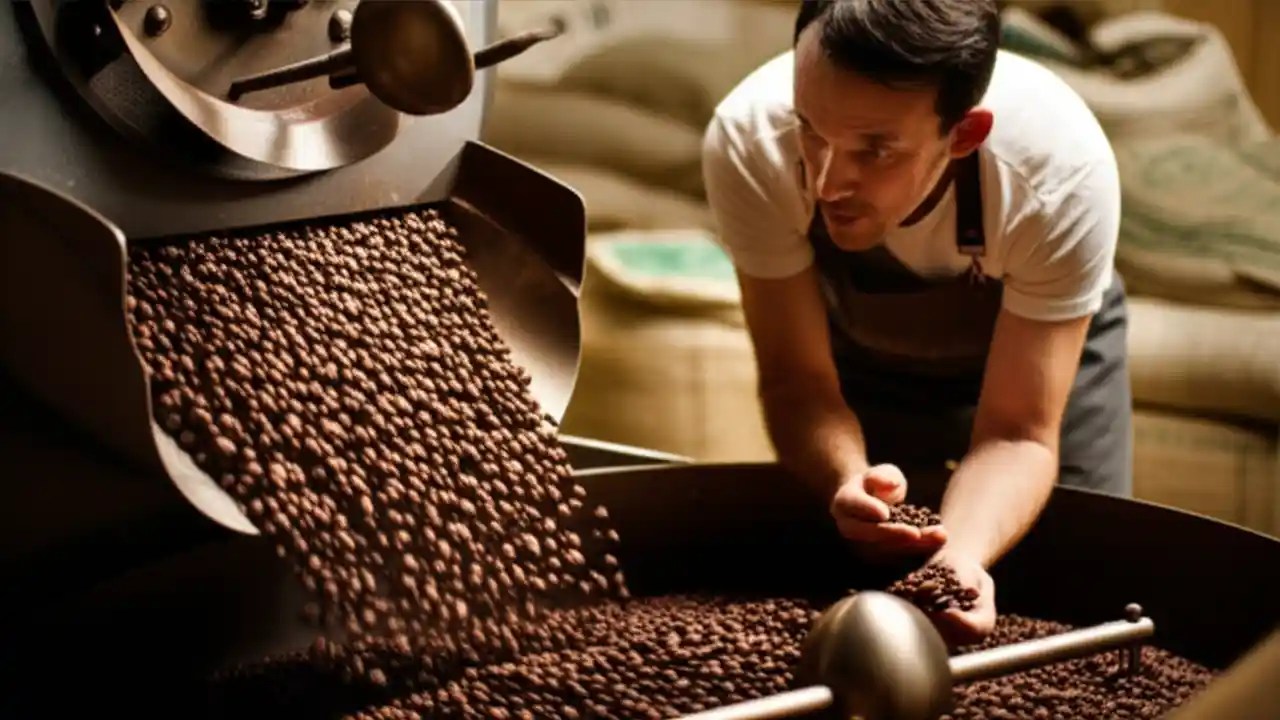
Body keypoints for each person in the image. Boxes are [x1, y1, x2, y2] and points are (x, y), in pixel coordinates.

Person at [701, 0, 1131, 646]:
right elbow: (796, 381)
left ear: (963, 134)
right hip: (865, 352)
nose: (826, 182)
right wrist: (849, 480)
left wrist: (960, 561)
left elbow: (1017, 431)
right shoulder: (749, 144)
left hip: (1042, 356)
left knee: (1082, 595)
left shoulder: (1061, 176)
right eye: (811, 131)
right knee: (862, 576)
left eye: (875, 151)